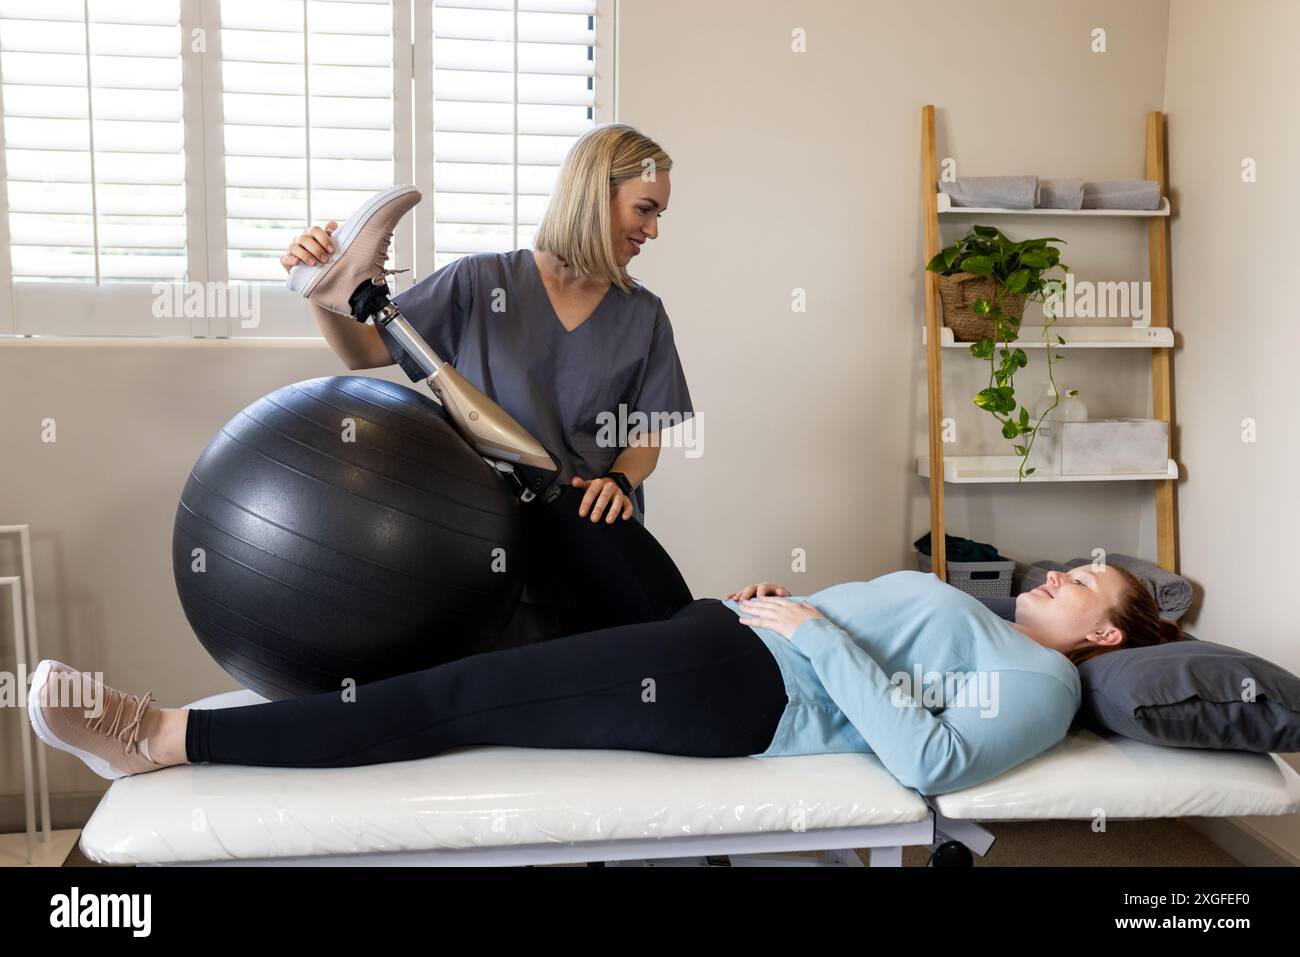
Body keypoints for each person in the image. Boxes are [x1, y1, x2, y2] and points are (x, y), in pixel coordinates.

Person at [28, 562, 1184, 797]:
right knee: (462, 665)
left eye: (1088, 583)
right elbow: (870, 640)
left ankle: (164, 736)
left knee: (455, 700)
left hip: (746, 692)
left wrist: (809, 631)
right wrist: (778, 602)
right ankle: (204, 728)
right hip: (733, 644)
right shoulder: (987, 625)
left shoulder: (1039, 691)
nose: (1062, 574)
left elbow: (928, 760)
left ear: (1106, 640)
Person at [280, 124, 693, 646]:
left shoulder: (644, 314)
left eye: (658, 215)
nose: (652, 231)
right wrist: (318, 288)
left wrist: (620, 483)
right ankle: (345, 284)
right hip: (482, 544)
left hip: (590, 542)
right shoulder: (480, 283)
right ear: (594, 196)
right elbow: (361, 351)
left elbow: (646, 432)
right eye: (645, 209)